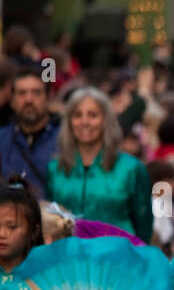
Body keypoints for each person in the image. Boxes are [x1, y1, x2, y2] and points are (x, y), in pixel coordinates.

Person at [47, 86, 153, 242]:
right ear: (69, 122)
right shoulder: (55, 168)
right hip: (68, 259)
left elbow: (144, 225)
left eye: (93, 115)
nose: (84, 122)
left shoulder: (131, 168)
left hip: (119, 257)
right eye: (77, 115)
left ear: (106, 120)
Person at [0, 68, 61, 198]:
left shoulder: (65, 138)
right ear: (12, 100)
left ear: (49, 97)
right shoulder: (2, 139)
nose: (28, 100)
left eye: (36, 93)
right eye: (22, 93)